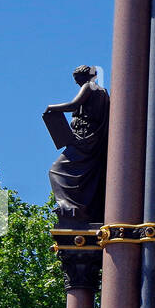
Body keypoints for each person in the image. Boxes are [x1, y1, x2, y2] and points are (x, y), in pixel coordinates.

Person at [44, 65, 110, 223]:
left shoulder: (90, 87)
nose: (76, 83)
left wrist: (51, 107)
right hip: (90, 140)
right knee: (87, 176)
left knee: (56, 170)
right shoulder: (103, 92)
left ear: (84, 77)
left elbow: (74, 105)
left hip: (83, 139)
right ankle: (79, 208)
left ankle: (68, 206)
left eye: (77, 79)